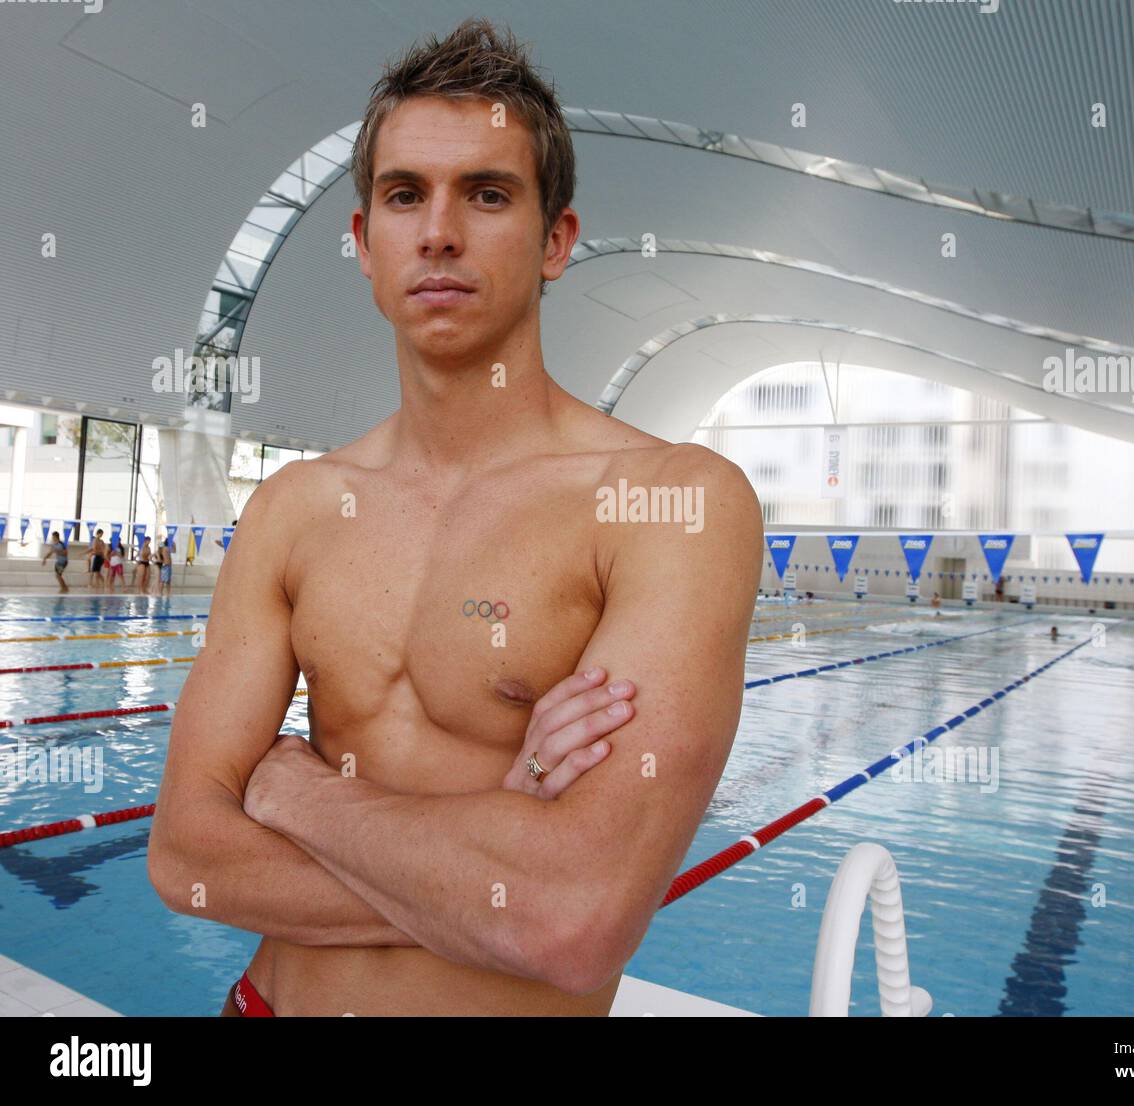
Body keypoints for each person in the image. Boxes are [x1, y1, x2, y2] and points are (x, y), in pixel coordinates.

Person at [149, 19, 764, 1019]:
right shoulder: (293, 508)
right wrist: (494, 860)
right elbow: (186, 856)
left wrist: (297, 793)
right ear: (361, 241)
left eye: (486, 193)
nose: (438, 230)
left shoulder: (668, 504)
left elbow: (571, 916)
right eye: (403, 195)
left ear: (556, 239)